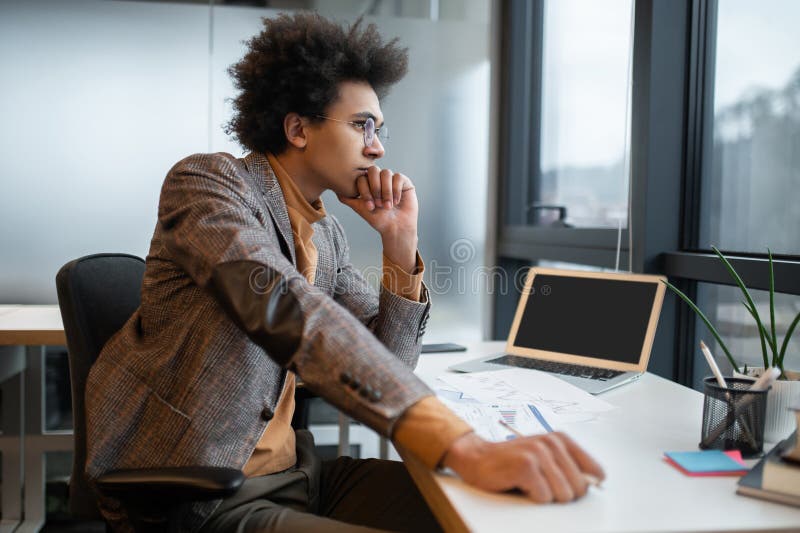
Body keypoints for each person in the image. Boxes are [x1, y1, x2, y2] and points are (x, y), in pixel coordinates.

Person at [84, 12, 605, 533]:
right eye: (362, 125)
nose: (377, 147)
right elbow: (279, 305)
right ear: (297, 128)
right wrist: (459, 445)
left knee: (491, 516)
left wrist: (400, 245)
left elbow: (392, 360)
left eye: (378, 129)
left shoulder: (324, 233)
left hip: (300, 477)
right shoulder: (209, 183)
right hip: (205, 496)